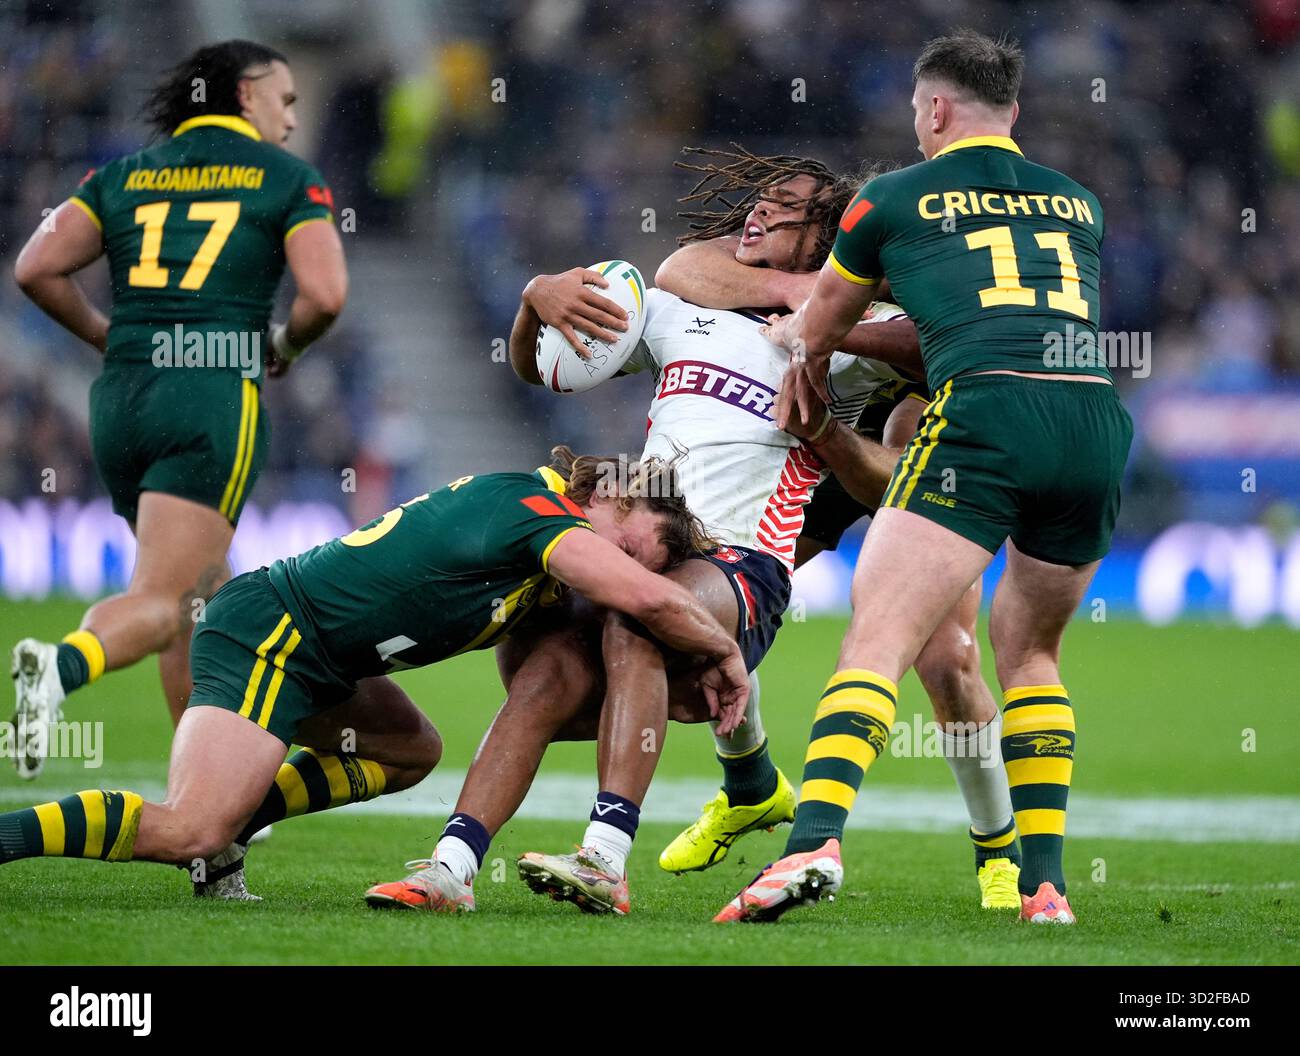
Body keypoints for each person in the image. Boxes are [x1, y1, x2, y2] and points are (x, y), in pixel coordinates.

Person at [365, 149, 1017, 915]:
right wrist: (533, 301)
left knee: (642, 619)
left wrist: (825, 339)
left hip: (744, 566)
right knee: (543, 673)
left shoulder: (856, 339)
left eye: (785, 207)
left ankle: (605, 858)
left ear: (825, 237)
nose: (759, 212)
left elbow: (926, 354)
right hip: (653, 545)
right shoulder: (677, 307)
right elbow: (540, 366)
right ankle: (450, 869)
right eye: (761, 200)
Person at [718, 30, 1133, 925]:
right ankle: (1045, 887)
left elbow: (815, 323)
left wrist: (804, 366)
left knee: (879, 636)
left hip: (984, 416)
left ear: (935, 109)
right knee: (1031, 655)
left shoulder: (893, 197)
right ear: (1011, 113)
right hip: (1093, 423)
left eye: (918, 113)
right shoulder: (1079, 204)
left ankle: (810, 844)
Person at [0, 451, 748, 902]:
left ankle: (241, 825)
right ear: (614, 496)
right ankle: (13, 836)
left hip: (321, 656)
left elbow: (532, 683)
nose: (620, 566)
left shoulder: (535, 551)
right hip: (272, 637)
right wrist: (725, 654)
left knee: (409, 749)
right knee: (192, 826)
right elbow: (650, 598)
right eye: (630, 544)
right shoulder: (535, 511)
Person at [10, 40, 347, 777]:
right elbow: (325, 296)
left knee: (203, 605)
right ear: (247, 94)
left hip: (123, 399)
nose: (291, 120)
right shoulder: (286, 178)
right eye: (285, 101)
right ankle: (58, 668)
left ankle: (207, 823)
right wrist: (283, 344)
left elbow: (35, 268)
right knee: (166, 600)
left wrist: (107, 334)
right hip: (211, 395)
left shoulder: (125, 173)